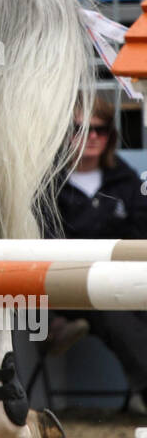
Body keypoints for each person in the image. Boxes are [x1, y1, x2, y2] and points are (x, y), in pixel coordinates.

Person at [44, 98, 147, 415]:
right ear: (65, 134)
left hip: (122, 278)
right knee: (113, 307)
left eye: (100, 130)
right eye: (81, 129)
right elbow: (42, 240)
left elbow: (141, 233)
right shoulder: (47, 184)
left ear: (110, 135)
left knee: (127, 303)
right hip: (64, 286)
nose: (91, 136)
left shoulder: (127, 180)